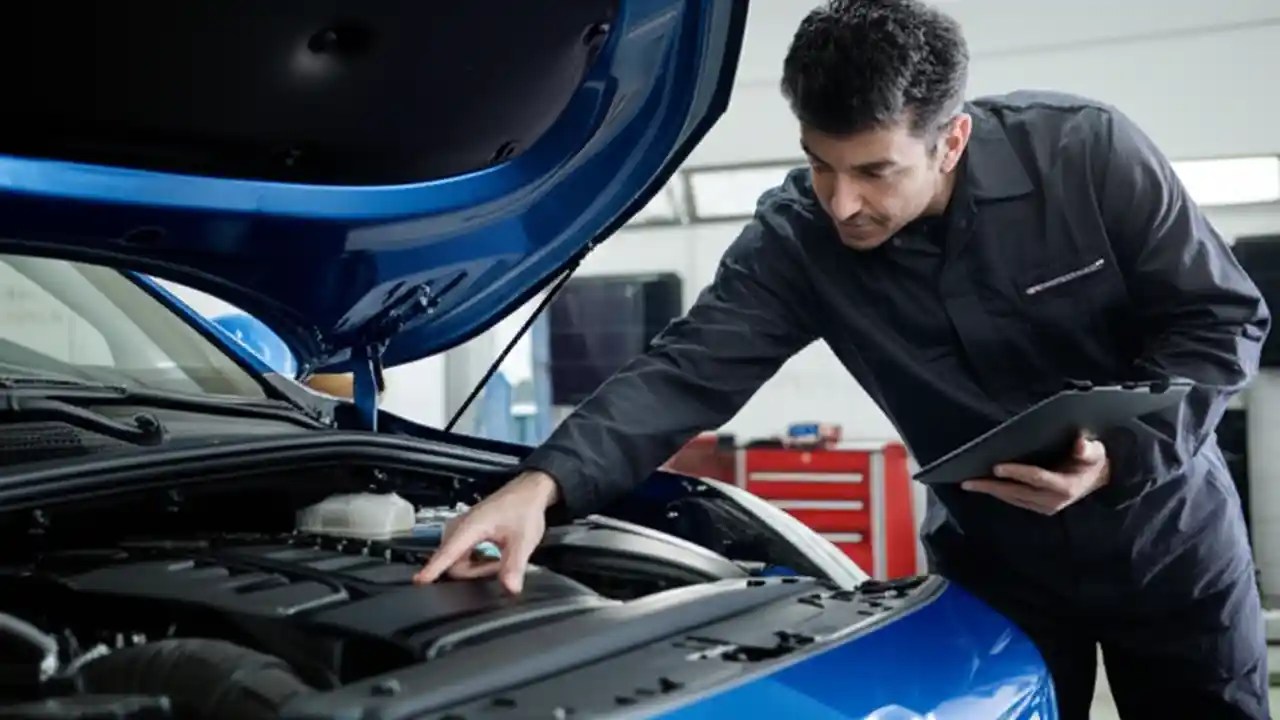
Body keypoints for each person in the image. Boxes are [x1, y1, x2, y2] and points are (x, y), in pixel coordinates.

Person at [414, 1, 1272, 717]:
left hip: (1166, 544)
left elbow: (1220, 319)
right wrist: (540, 486)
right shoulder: (798, 240)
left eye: (874, 170)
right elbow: (686, 369)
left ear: (951, 141)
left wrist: (1119, 454)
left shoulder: (1086, 156)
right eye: (819, 164)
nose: (842, 203)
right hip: (1000, 570)